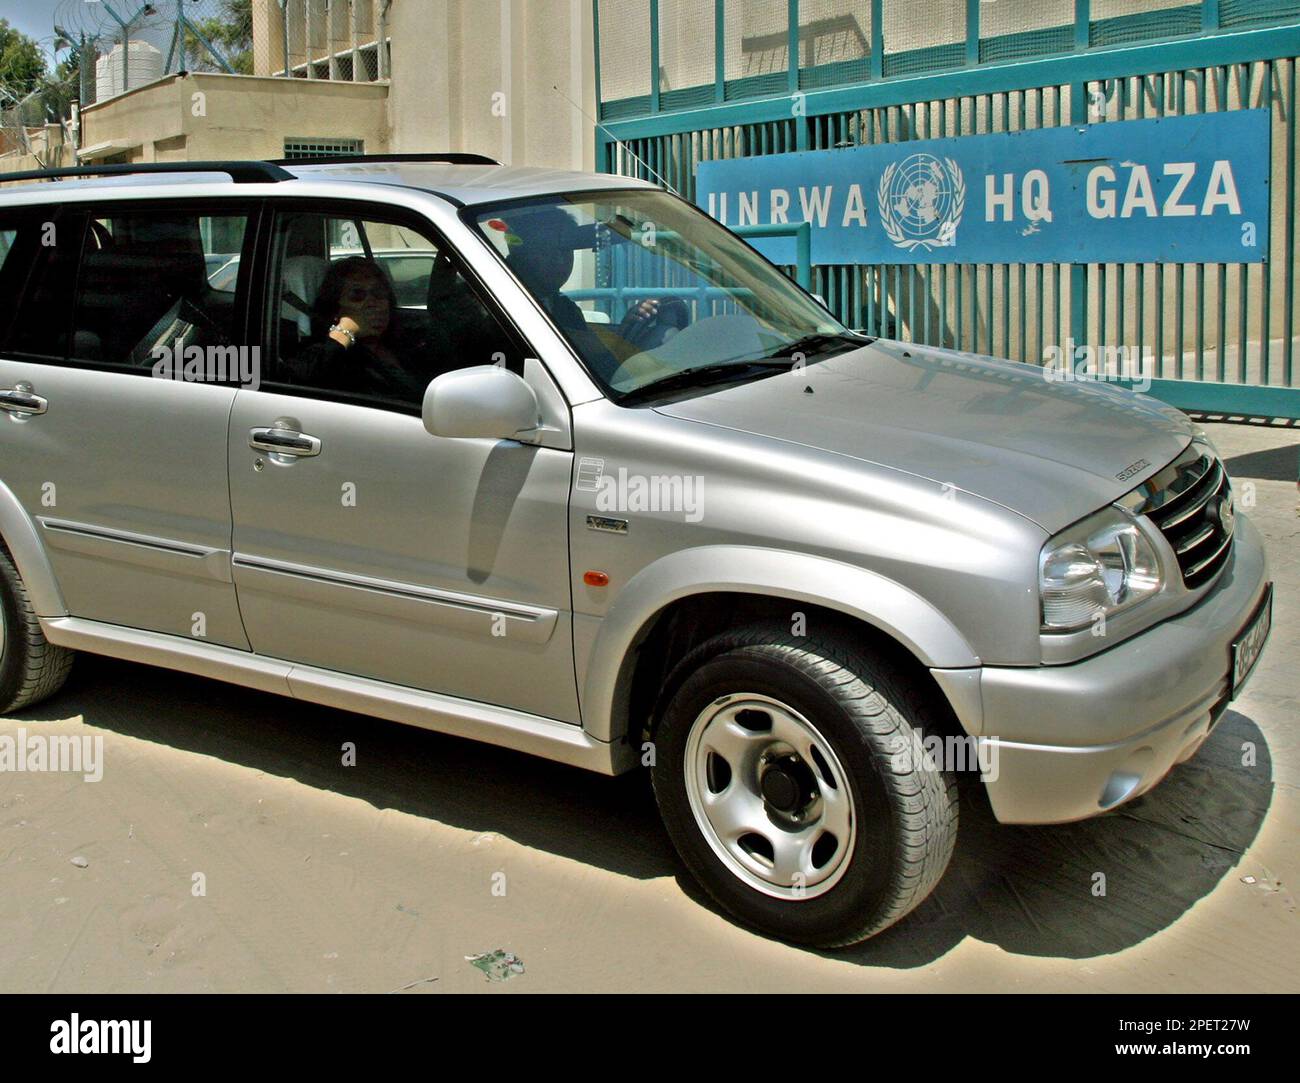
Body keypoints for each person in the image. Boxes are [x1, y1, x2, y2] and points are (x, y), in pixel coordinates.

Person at [282, 257, 425, 402]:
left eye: (378, 294)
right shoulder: (334, 358)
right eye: (357, 295)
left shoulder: (405, 344)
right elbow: (290, 380)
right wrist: (346, 329)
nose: (372, 303)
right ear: (335, 308)